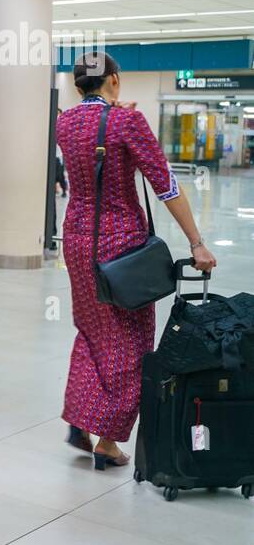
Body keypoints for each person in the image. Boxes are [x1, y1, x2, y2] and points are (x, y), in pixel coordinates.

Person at [58, 52, 217, 469]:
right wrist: (196, 242)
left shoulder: (65, 123)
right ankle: (107, 441)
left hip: (76, 238)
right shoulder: (128, 122)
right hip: (121, 245)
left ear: (78, 86)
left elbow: (95, 136)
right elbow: (165, 183)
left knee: (90, 329)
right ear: (114, 79)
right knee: (129, 341)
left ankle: (81, 418)